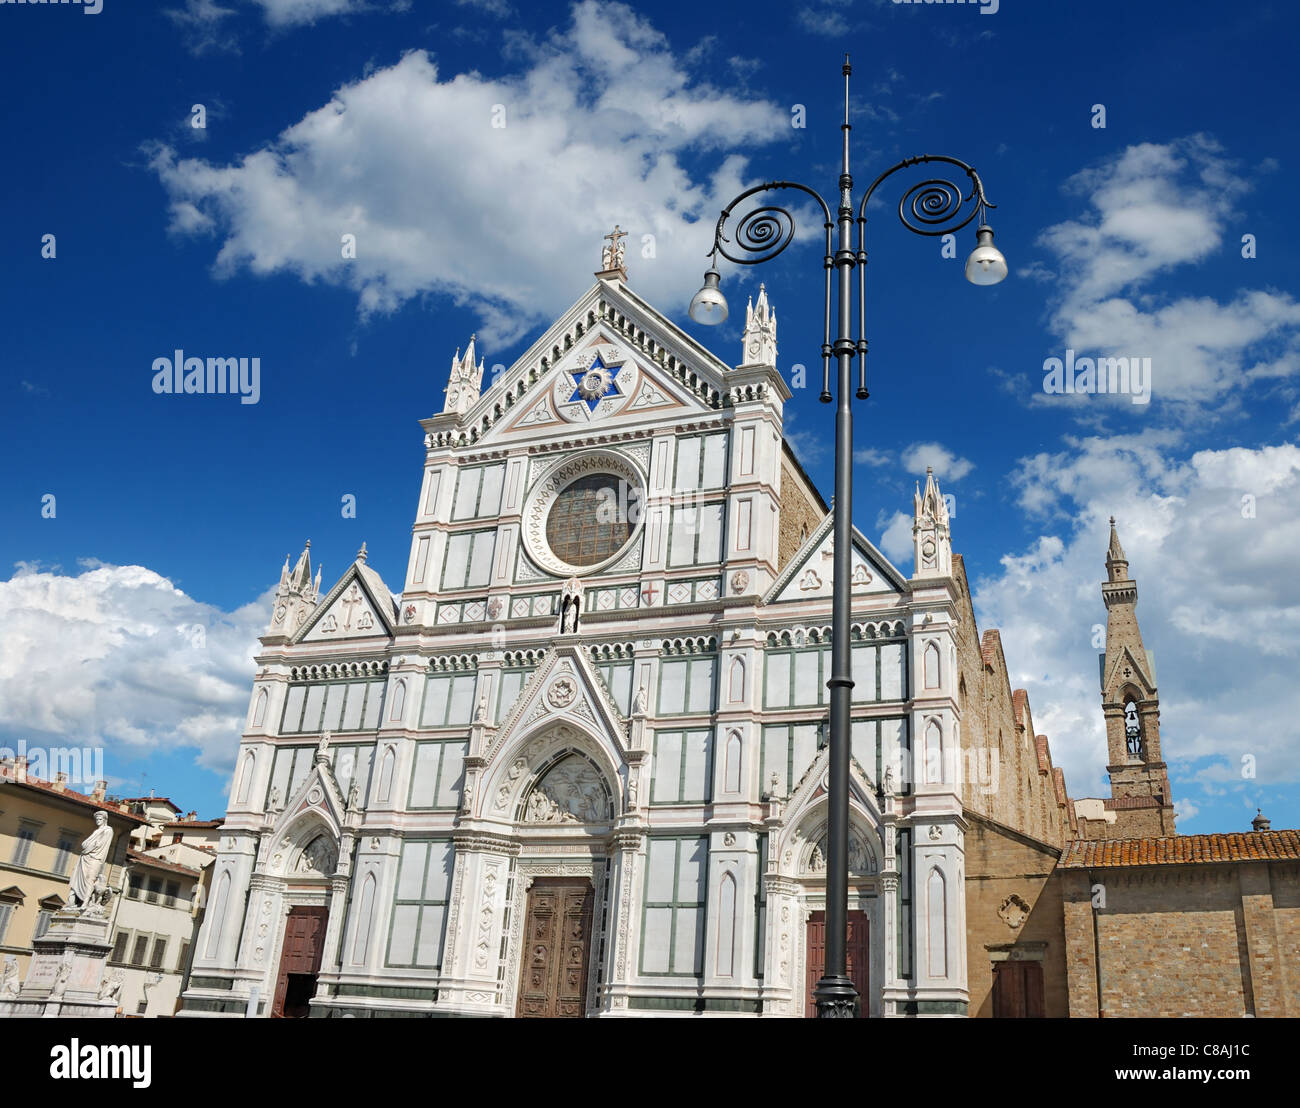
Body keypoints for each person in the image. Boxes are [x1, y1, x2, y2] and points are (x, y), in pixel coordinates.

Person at [68, 811, 114, 910]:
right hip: (85, 857)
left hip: (96, 857)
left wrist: (88, 846)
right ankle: (76, 902)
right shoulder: (96, 832)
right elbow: (86, 844)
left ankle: (85, 902)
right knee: (78, 878)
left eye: (100, 819)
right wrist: (87, 846)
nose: (98, 821)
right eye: (97, 819)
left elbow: (99, 844)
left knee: (91, 879)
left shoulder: (108, 830)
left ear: (105, 820)